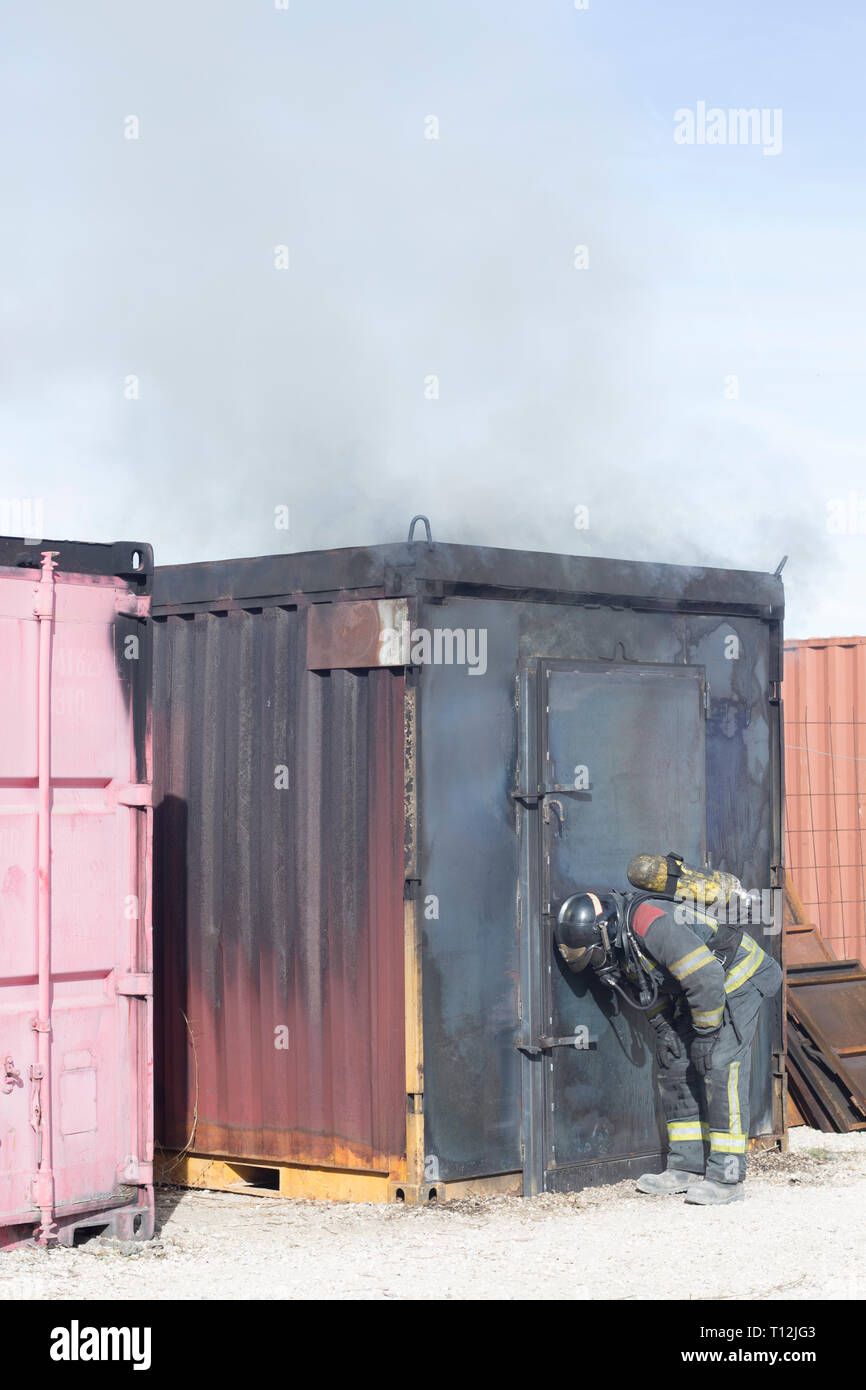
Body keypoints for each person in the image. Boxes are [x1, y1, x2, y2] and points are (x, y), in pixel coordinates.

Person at [555, 888, 782, 1204]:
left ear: (602, 933)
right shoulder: (623, 943)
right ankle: (686, 1166)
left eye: (593, 955)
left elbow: (705, 976)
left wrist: (704, 1035)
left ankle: (727, 1177)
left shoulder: (650, 923)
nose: (597, 964)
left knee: (720, 1067)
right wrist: (665, 1030)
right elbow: (650, 989)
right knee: (673, 1064)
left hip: (736, 980)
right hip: (701, 991)